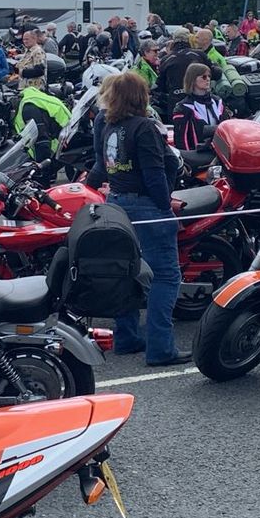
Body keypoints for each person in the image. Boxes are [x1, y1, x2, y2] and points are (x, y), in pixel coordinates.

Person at [91, 72, 186, 366]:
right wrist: (165, 207)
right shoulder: (144, 127)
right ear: (139, 96)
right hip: (146, 206)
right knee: (166, 276)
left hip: (117, 203)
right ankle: (160, 348)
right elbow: (154, 177)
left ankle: (127, 337)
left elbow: (102, 166)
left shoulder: (106, 125)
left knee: (128, 272)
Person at [14, 63, 70, 160]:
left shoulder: (28, 107)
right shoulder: (33, 97)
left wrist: (42, 165)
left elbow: (41, 139)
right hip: (64, 135)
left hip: (58, 145)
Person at [171, 63, 224, 151]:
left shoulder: (217, 102)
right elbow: (181, 141)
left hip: (220, 152)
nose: (208, 79)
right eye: (203, 77)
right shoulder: (183, 108)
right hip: (197, 156)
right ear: (193, 79)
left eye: (209, 76)